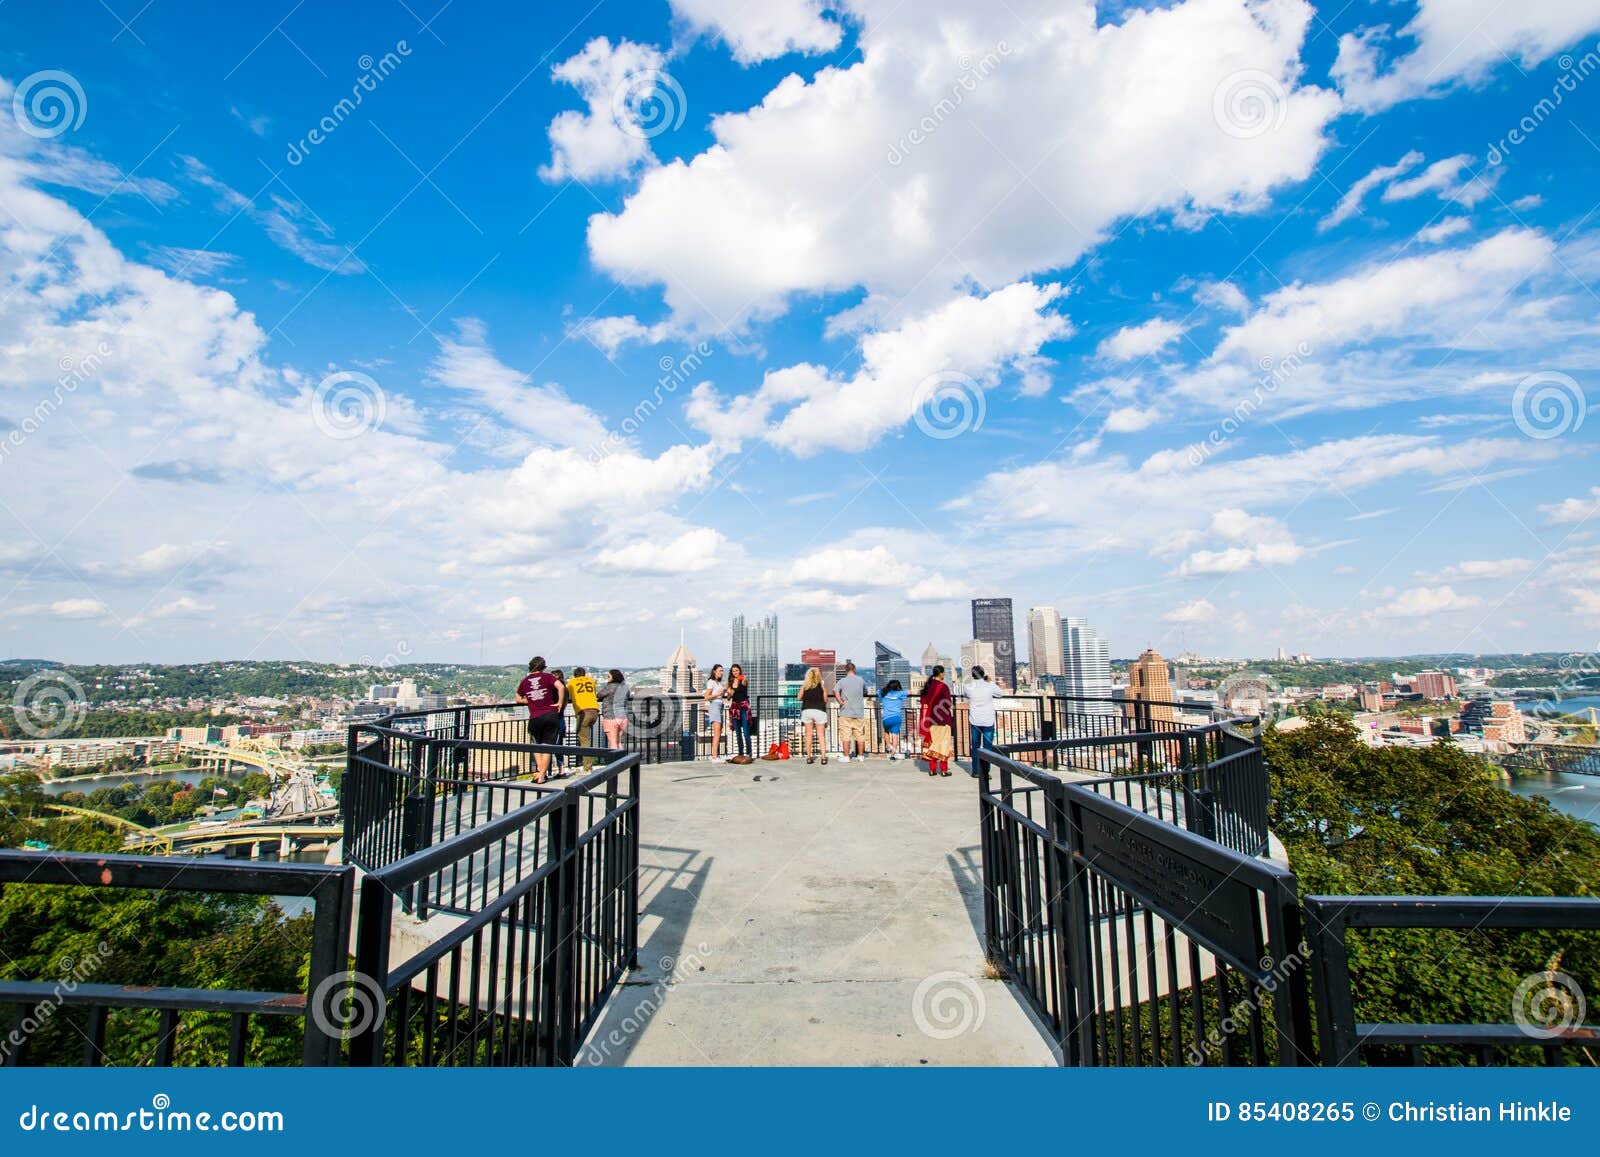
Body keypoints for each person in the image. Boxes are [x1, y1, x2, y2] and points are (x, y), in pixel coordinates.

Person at [515, 656, 564, 784]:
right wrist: (559, 702)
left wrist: (530, 700)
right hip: (550, 714)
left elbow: (518, 699)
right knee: (547, 746)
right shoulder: (548, 677)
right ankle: (542, 775)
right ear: (543, 667)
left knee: (536, 746)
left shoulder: (525, 681)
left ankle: (539, 773)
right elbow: (561, 687)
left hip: (535, 716)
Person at [964, 664, 1001, 778]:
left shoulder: (968, 687)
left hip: (975, 719)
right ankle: (985, 772)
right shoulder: (989, 686)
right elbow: (1000, 693)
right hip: (988, 720)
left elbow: (965, 694)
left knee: (975, 746)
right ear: (983, 674)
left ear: (972, 675)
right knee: (987, 747)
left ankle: (976, 771)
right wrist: (989, 682)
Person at [919, 665, 954, 777]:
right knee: (944, 744)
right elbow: (948, 703)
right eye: (943, 673)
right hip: (943, 719)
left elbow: (924, 701)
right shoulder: (943, 687)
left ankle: (932, 769)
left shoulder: (928, 686)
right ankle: (944, 769)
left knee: (933, 744)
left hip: (930, 720)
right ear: (941, 674)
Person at [833, 660, 868, 762]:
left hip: (846, 711)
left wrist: (840, 701)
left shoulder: (842, 681)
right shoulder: (861, 680)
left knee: (846, 735)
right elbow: (865, 691)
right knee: (860, 735)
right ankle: (861, 756)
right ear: (855, 669)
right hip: (859, 711)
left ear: (845, 670)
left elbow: (835, 690)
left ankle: (846, 756)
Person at [568, 666, 601, 769]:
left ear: (575, 674)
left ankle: (587, 767)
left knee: (584, 740)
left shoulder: (572, 682)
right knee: (587, 738)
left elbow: (568, 696)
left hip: (583, 712)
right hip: (595, 710)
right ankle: (585, 762)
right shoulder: (591, 681)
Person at [798, 667, 829, 765]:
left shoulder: (805, 686)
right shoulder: (822, 686)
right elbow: (825, 700)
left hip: (807, 710)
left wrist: (806, 699)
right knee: (821, 735)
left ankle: (809, 757)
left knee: (808, 735)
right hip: (819, 710)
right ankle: (823, 758)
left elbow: (798, 698)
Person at [727, 663, 754, 764]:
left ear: (740, 671)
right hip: (734, 708)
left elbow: (744, 683)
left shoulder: (743, 679)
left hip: (743, 707)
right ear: (731, 672)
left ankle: (749, 753)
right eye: (733, 671)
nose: (735, 672)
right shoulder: (730, 682)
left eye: (737, 670)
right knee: (738, 733)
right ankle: (741, 753)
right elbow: (729, 698)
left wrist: (737, 682)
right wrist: (729, 693)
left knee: (746, 732)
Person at [598, 669, 630, 750]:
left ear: (613, 677)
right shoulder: (625, 687)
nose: (607, 678)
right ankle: (622, 761)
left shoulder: (610, 687)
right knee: (619, 742)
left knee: (612, 742)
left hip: (611, 717)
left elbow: (599, 695)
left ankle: (615, 761)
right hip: (623, 717)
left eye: (608, 676)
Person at [703, 663, 728, 761]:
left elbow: (720, 695)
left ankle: (715, 755)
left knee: (719, 731)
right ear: (714, 671)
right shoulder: (711, 682)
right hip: (714, 706)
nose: (721, 673)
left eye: (722, 671)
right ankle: (714, 757)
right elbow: (706, 696)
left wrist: (724, 691)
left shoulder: (718, 683)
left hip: (719, 706)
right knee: (717, 731)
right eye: (720, 671)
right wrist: (718, 694)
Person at [879, 679, 908, 761]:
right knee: (895, 736)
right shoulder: (900, 693)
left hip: (886, 718)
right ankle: (892, 754)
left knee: (886, 731)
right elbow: (909, 692)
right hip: (896, 717)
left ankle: (888, 746)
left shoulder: (883, 693)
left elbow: (878, 692)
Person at [550, 669, 570, 772]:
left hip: (555, 719)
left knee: (550, 745)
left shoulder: (555, 689)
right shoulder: (565, 689)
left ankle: (548, 770)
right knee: (558, 744)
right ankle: (561, 769)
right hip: (560, 719)